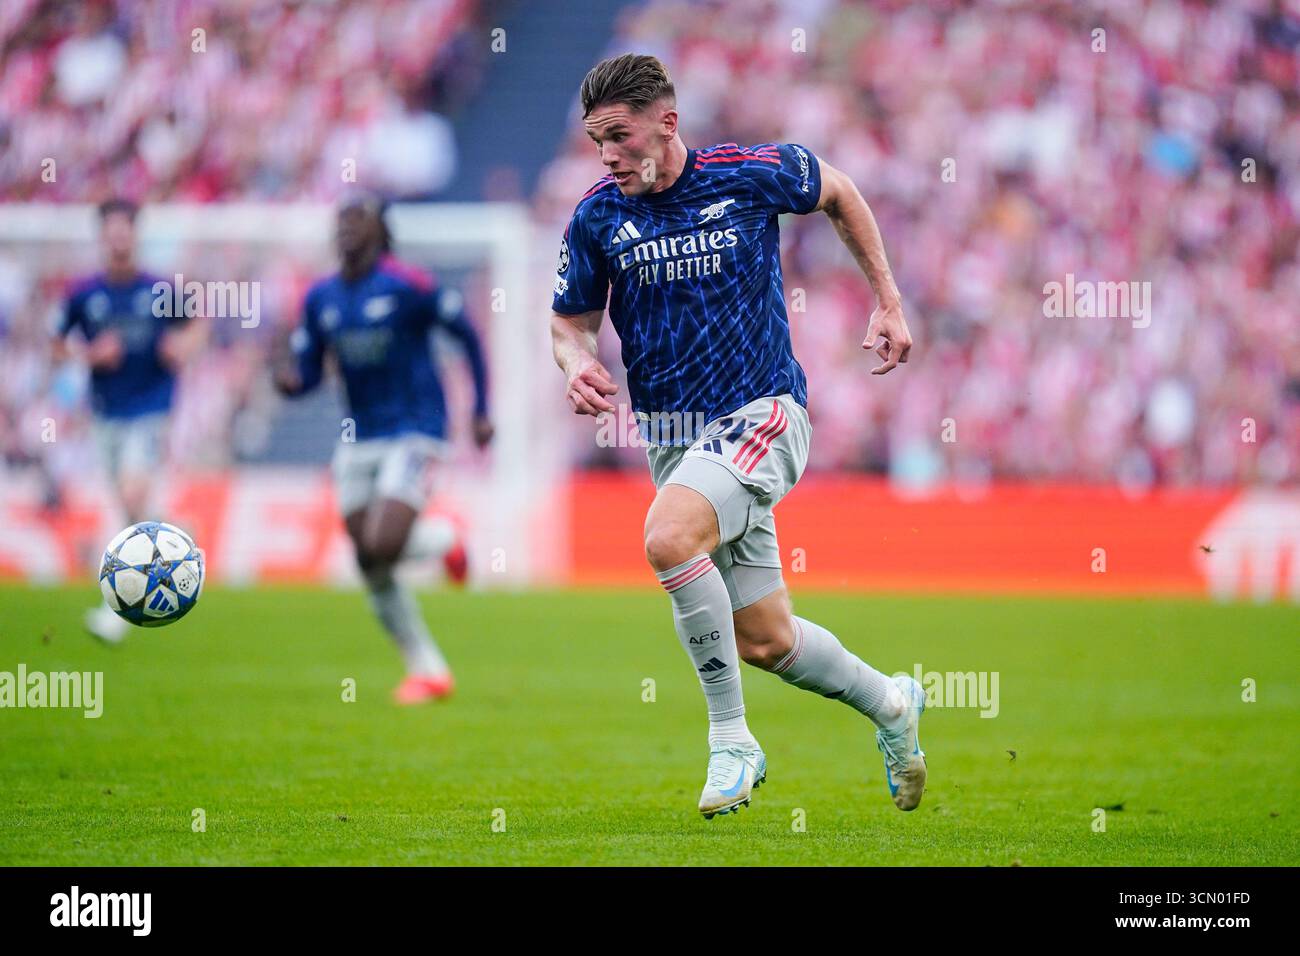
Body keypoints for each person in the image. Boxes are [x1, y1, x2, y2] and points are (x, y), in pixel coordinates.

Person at [550, 54, 927, 818]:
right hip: (677, 440)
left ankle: (732, 740)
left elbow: (839, 189)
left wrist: (887, 300)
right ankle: (892, 705)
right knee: (766, 640)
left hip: (764, 414)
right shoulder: (597, 216)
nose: (608, 156)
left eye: (619, 136)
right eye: (596, 141)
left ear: (667, 123)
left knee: (666, 538)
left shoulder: (748, 173)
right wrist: (575, 360)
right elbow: (568, 321)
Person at [274, 196, 493, 704]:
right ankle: (429, 670)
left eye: (359, 218)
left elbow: (468, 336)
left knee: (384, 544)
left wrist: (480, 409)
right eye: (341, 219)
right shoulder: (321, 298)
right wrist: (289, 382)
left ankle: (443, 539)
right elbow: (307, 372)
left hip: (417, 429)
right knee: (369, 559)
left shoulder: (408, 285)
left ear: (379, 232)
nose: (347, 226)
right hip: (360, 436)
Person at [54, 199, 204, 644]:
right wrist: (88, 354)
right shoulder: (84, 294)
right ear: (102, 237)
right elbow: (56, 345)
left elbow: (197, 324)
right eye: (112, 232)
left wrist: (182, 348)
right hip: (106, 413)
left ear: (136, 235)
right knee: (128, 507)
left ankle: (117, 609)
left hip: (152, 409)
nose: (119, 239)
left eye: (126, 231)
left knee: (133, 491)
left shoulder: (159, 289)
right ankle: (181, 541)